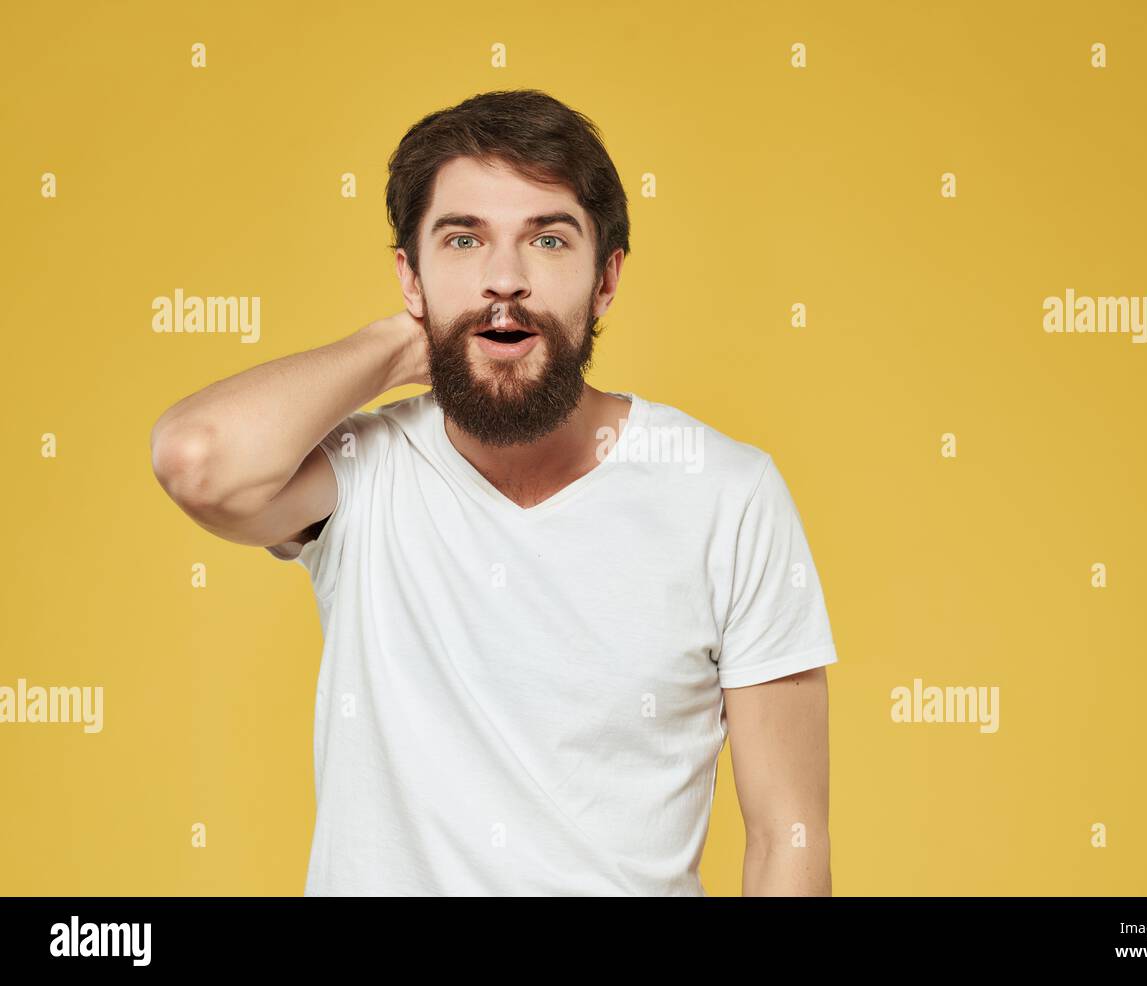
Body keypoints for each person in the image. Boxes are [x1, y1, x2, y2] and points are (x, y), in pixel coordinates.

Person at [150, 89, 838, 896]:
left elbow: (788, 834)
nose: (503, 280)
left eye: (548, 239)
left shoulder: (728, 494)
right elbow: (197, 459)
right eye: (463, 240)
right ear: (410, 275)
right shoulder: (362, 471)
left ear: (606, 280)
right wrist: (400, 346)